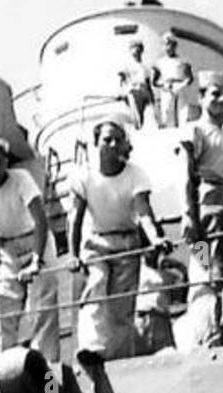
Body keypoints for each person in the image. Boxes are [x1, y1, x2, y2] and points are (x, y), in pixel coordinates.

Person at [67, 115, 170, 362]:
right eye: (107, 140)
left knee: (122, 308)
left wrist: (155, 238)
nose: (112, 145)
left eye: (118, 140)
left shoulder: (136, 175)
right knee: (96, 287)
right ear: (96, 143)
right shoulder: (84, 177)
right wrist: (72, 254)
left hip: (127, 243)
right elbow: (75, 219)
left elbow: (143, 212)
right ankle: (92, 347)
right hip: (97, 242)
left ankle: (120, 357)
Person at [0, 136, 60, 368]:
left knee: (42, 306)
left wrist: (37, 261)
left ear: (6, 161)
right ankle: (0, 371)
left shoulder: (21, 179)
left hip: (36, 241)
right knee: (3, 301)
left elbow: (41, 221)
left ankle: (49, 380)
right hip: (7, 248)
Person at [179, 70, 223, 346]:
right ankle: (207, 337)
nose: (222, 100)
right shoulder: (194, 130)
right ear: (201, 97)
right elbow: (184, 175)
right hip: (205, 219)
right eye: (215, 94)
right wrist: (188, 216)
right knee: (207, 276)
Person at [151, 32, 200, 129]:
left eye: (170, 44)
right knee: (166, 111)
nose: (168, 47)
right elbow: (154, 81)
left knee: (182, 112)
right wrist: (163, 85)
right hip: (166, 87)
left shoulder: (183, 60)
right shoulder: (159, 62)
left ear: (175, 46)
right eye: (166, 44)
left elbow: (189, 78)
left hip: (180, 86)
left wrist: (182, 85)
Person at [117, 38, 155, 129]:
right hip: (133, 90)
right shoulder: (127, 65)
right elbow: (122, 80)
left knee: (146, 114)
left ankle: (141, 129)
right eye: (134, 48)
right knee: (135, 113)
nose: (136, 51)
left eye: (138, 49)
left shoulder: (144, 66)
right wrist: (121, 92)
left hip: (143, 90)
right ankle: (137, 128)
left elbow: (148, 82)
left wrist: (151, 96)